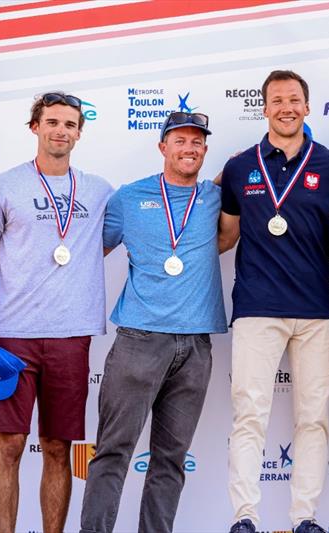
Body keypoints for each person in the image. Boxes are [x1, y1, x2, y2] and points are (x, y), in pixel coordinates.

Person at [0, 92, 112, 533]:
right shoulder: (3, 186)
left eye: (69, 124)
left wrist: (218, 182)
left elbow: (154, 206)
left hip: (71, 337)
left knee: (57, 446)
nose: (60, 131)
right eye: (52, 122)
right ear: (35, 128)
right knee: (8, 445)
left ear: (79, 134)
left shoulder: (100, 190)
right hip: (13, 338)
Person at [79, 111, 227, 533]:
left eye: (197, 142)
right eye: (180, 141)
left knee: (171, 460)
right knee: (113, 451)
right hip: (139, 340)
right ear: (163, 147)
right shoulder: (128, 198)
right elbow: (90, 255)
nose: (189, 148)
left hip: (196, 345)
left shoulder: (215, 197)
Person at [219, 69, 329, 533]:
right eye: (277, 100)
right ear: (264, 108)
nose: (286, 108)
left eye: (294, 99)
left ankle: (305, 518)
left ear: (308, 106)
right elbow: (224, 237)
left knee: (313, 419)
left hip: (317, 311)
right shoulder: (239, 168)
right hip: (256, 308)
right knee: (250, 414)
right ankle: (245, 517)